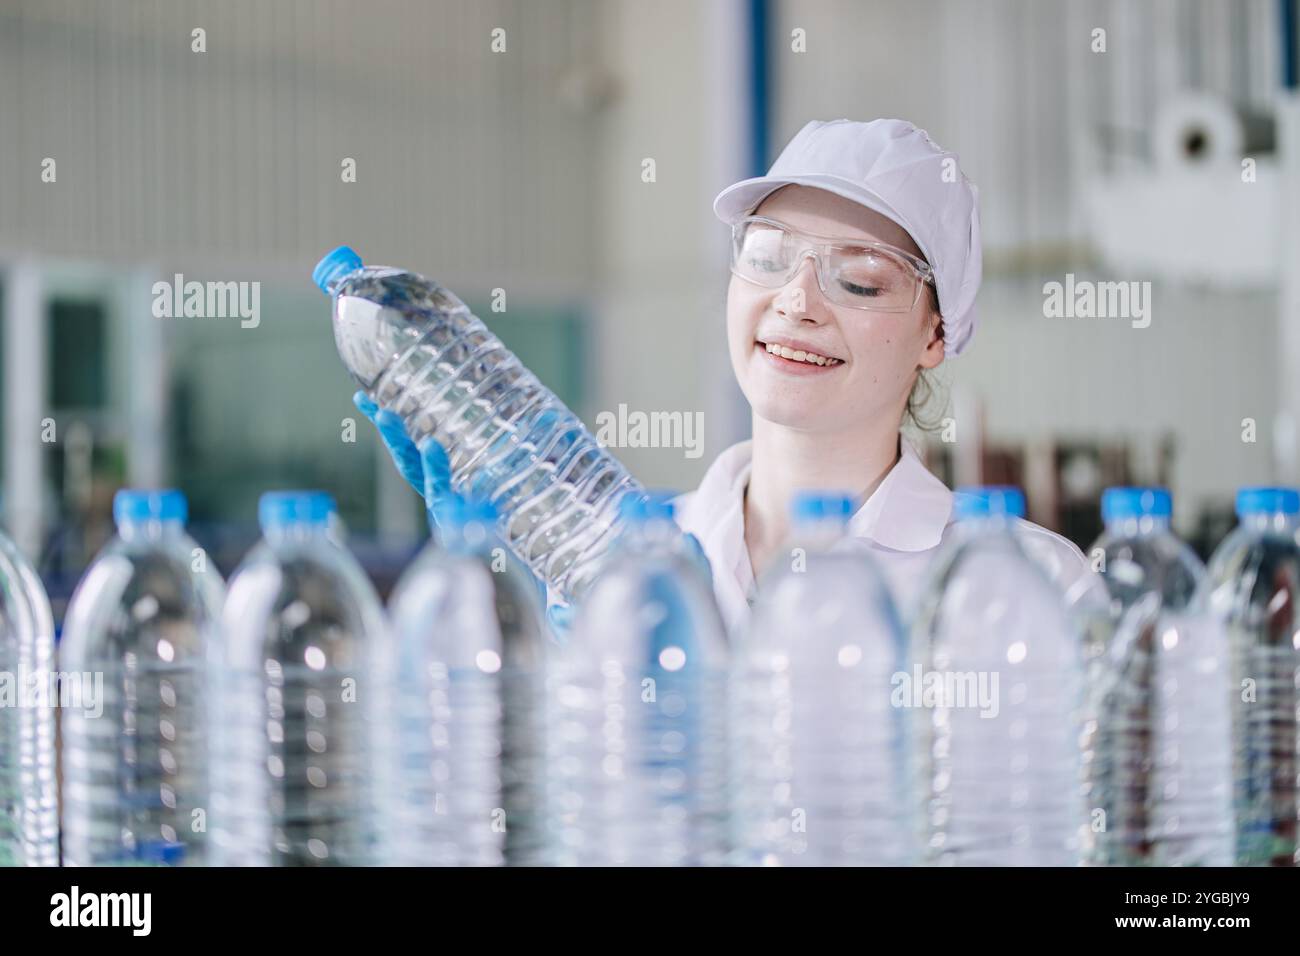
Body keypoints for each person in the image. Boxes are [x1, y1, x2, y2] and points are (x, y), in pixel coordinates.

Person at [357, 118, 1095, 636]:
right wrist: (498, 601)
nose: (798, 301)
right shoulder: (618, 565)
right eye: (770, 254)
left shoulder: (1029, 585)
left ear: (936, 335)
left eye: (862, 279)